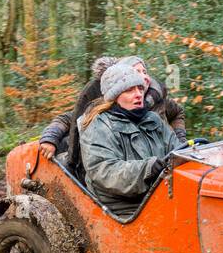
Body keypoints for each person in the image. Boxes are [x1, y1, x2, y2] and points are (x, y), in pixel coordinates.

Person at [79, 63, 185, 217]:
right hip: (123, 208)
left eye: (140, 88)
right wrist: (148, 168)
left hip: (159, 196)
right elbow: (105, 171)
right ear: (115, 97)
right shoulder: (98, 126)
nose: (138, 94)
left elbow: (176, 150)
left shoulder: (153, 119)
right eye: (129, 90)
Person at [39, 55, 185, 162]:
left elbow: (177, 112)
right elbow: (68, 119)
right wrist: (50, 139)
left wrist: (180, 140)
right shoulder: (102, 109)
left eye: (144, 72)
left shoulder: (159, 101)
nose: (143, 77)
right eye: (135, 72)